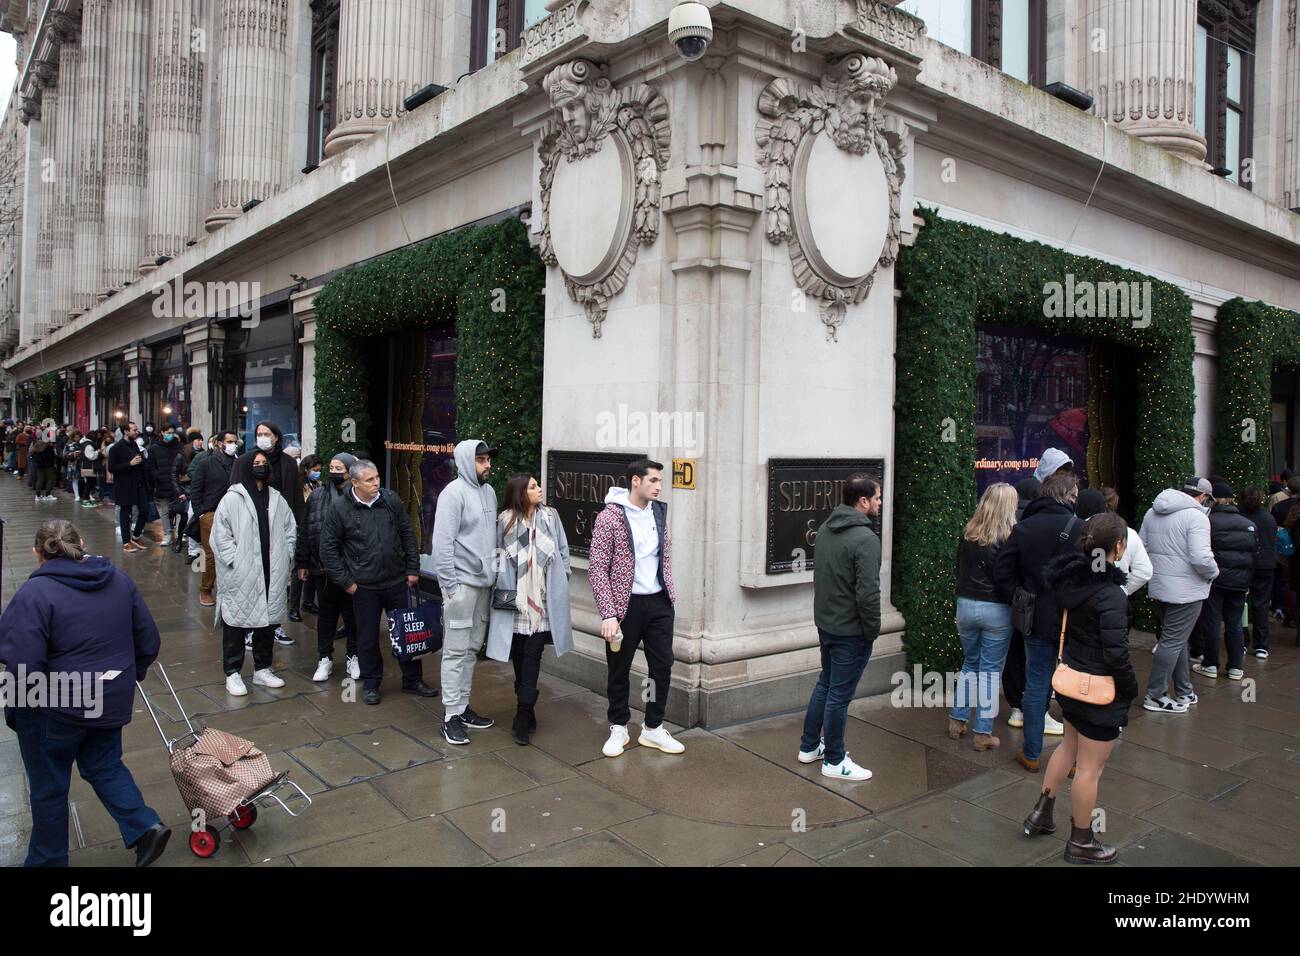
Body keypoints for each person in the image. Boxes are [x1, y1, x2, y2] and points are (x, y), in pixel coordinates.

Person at [0, 520, 171, 867]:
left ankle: (47, 861)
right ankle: (144, 826)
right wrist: (125, 678)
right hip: (107, 699)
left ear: (37, 553)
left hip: (55, 707)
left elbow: (21, 665)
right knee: (103, 764)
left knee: (49, 787)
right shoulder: (119, 580)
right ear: (81, 543)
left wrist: (16, 711)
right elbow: (148, 641)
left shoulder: (34, 595)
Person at [1023, 512, 1136, 865]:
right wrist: (1129, 687)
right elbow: (1117, 653)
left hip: (1071, 681)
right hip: (1099, 690)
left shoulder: (1068, 583)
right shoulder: (1111, 594)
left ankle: (1041, 813)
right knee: (1090, 768)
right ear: (1117, 547)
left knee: (1068, 747)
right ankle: (1081, 841)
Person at [320, 459, 436, 706]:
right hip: (364, 587)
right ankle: (372, 683)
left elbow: (407, 532)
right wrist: (347, 583)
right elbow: (328, 549)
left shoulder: (389, 499)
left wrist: (413, 569)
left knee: (407, 631)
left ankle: (412, 679)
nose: (376, 483)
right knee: (367, 637)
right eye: (370, 480)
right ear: (355, 483)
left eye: (377, 478)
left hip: (397, 581)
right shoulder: (340, 509)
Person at [589, 457, 683, 759]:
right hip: (624, 606)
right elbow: (597, 568)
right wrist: (608, 613)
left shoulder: (658, 512)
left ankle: (653, 728)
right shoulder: (610, 517)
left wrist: (670, 593)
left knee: (662, 667)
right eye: (653, 480)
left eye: (660, 481)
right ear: (636, 482)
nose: (658, 486)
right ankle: (618, 726)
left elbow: (661, 558)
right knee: (619, 669)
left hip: (659, 603)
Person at [795, 474, 882, 780]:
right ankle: (834, 760)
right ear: (863, 502)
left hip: (828, 626)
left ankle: (809, 746)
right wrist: (872, 630)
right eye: (877, 498)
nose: (879, 503)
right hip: (851, 632)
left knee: (826, 684)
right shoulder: (866, 540)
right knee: (838, 697)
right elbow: (868, 594)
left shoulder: (825, 530)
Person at [993, 472, 1081, 772]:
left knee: (1035, 683)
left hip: (1034, 617)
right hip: (1071, 618)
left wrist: (1019, 596)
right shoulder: (1081, 528)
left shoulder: (1024, 528)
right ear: (1069, 495)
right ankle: (1070, 760)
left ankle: (1031, 754)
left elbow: (1003, 573)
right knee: (1070, 687)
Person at [486, 474, 573, 746]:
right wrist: (502, 585)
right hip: (515, 598)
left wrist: (564, 576)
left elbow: (562, 549)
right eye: (533, 487)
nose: (539, 490)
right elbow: (498, 556)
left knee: (533, 654)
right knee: (520, 657)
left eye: (538, 486)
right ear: (521, 493)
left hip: (542, 600)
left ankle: (522, 716)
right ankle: (528, 707)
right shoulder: (504, 520)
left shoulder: (551, 517)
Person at [430, 440, 499, 742]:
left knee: (471, 649)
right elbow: (442, 545)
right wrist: (451, 588)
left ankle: (463, 706)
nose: (487, 465)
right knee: (455, 650)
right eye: (481, 460)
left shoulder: (490, 492)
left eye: (487, 460)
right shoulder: (452, 494)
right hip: (462, 587)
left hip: (483, 586)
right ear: (466, 462)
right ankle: (450, 716)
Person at [212, 450, 296, 696]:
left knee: (267, 624)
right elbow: (220, 535)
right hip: (242, 572)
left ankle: (262, 669)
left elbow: (291, 528)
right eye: (256, 463)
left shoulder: (277, 497)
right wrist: (234, 560)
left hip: (273, 570)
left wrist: (287, 553)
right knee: (235, 623)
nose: (261, 466)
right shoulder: (232, 499)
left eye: (264, 463)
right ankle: (233, 673)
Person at [947, 482, 1017, 751]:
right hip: (996, 608)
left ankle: (957, 720)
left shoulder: (969, 533)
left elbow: (958, 568)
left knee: (970, 663)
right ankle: (983, 733)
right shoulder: (1010, 537)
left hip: (965, 604)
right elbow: (1007, 577)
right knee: (989, 672)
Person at [1140, 477, 1218, 713]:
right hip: (1187, 591)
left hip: (1160, 585)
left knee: (1174, 641)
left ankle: (1184, 691)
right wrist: (1214, 573)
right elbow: (1200, 558)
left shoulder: (1152, 512)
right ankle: (1155, 695)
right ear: (1203, 496)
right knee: (1172, 642)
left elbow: (1143, 546)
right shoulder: (1197, 517)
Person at [297, 453, 360, 683]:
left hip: (352, 569)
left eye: (339, 468)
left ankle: (354, 655)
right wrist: (303, 562)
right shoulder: (316, 497)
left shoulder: (358, 497)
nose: (333, 472)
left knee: (352, 616)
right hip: (322, 569)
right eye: (331, 467)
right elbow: (306, 529)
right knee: (326, 616)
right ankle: (325, 657)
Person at [1190, 480, 1257, 681]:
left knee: (1211, 621)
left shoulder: (1207, 522)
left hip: (1215, 580)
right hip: (1240, 582)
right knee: (1235, 623)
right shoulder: (1249, 525)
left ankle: (1210, 663)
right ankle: (1236, 667)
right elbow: (1254, 554)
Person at [1003, 476, 1043, 726]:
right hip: (1035, 599)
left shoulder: (1009, 522)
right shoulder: (1036, 523)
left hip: (1012, 600)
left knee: (1014, 654)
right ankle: (1034, 708)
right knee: (1037, 658)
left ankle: (1016, 705)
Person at [191, 429, 240, 607]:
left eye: (235, 441)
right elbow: (195, 489)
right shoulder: (206, 463)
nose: (233, 445)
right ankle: (205, 588)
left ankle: (229, 587)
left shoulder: (239, 463)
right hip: (211, 513)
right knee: (211, 553)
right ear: (219, 443)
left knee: (234, 551)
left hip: (234, 513)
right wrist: (200, 513)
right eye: (229, 441)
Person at [1239, 486, 1276, 660]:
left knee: (1240, 604)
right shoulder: (1268, 519)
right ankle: (1261, 645)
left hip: (1244, 564)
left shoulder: (1239, 517)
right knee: (1261, 605)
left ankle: (1242, 641)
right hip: (1265, 564)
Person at [107, 422, 152, 552]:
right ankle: (126, 542)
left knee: (144, 510)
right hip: (125, 485)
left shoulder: (134, 445)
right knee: (125, 513)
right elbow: (112, 468)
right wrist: (129, 463)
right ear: (126, 431)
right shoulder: (116, 448)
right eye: (134, 430)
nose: (137, 432)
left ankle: (136, 536)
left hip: (139, 483)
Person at [288, 454, 322, 622]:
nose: (318, 473)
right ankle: (293, 606)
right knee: (298, 570)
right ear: (306, 469)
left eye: (319, 470)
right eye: (315, 470)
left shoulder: (318, 484)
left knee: (313, 568)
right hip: (300, 529)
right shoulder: (299, 485)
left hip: (314, 530)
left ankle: (308, 602)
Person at [146, 423, 183, 547]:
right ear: (162, 433)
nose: (170, 435)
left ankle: (179, 533)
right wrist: (157, 477)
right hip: (162, 483)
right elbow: (150, 466)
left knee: (180, 510)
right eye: (168, 433)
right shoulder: (154, 448)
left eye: (172, 432)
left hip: (176, 484)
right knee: (165, 511)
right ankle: (167, 533)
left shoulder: (178, 447)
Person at [30, 434, 57, 501]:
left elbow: (32, 455)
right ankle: (48, 494)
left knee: (40, 480)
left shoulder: (36, 446)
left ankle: (38, 495)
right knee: (50, 479)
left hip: (38, 466)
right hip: (48, 466)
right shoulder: (49, 447)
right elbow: (52, 457)